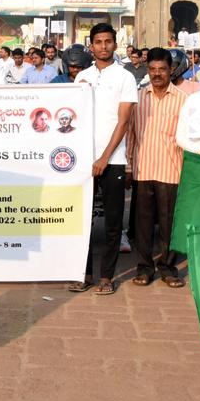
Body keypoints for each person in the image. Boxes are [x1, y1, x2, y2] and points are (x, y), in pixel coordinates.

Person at [66, 23, 137, 296]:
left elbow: (123, 122)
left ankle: (107, 276)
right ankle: (83, 274)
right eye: (98, 42)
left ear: (115, 44)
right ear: (91, 45)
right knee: (81, 220)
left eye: (108, 41)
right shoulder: (81, 77)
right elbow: (71, 118)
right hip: (83, 159)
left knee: (112, 220)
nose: (104, 46)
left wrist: (105, 157)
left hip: (113, 159)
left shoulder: (125, 77)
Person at [129, 48, 188, 288]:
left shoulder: (183, 100)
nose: (156, 74)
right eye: (152, 69)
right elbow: (131, 133)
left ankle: (167, 268)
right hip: (143, 168)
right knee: (142, 225)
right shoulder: (138, 98)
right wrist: (128, 167)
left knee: (168, 224)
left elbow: (187, 138)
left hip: (172, 169)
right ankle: (144, 268)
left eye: (162, 69)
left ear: (171, 70)